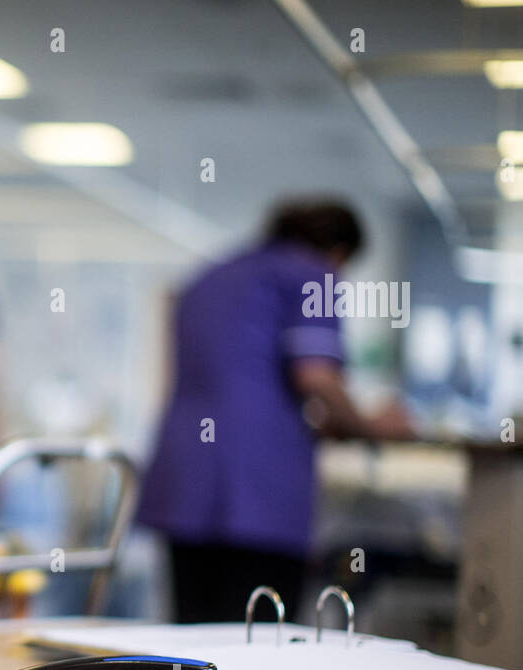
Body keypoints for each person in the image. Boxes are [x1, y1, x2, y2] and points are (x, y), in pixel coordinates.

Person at [135, 199, 416, 623]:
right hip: (257, 485)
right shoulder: (311, 272)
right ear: (339, 252)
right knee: (256, 644)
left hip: (185, 477)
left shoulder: (206, 278)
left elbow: (233, 378)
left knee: (193, 640)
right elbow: (316, 376)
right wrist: (370, 425)